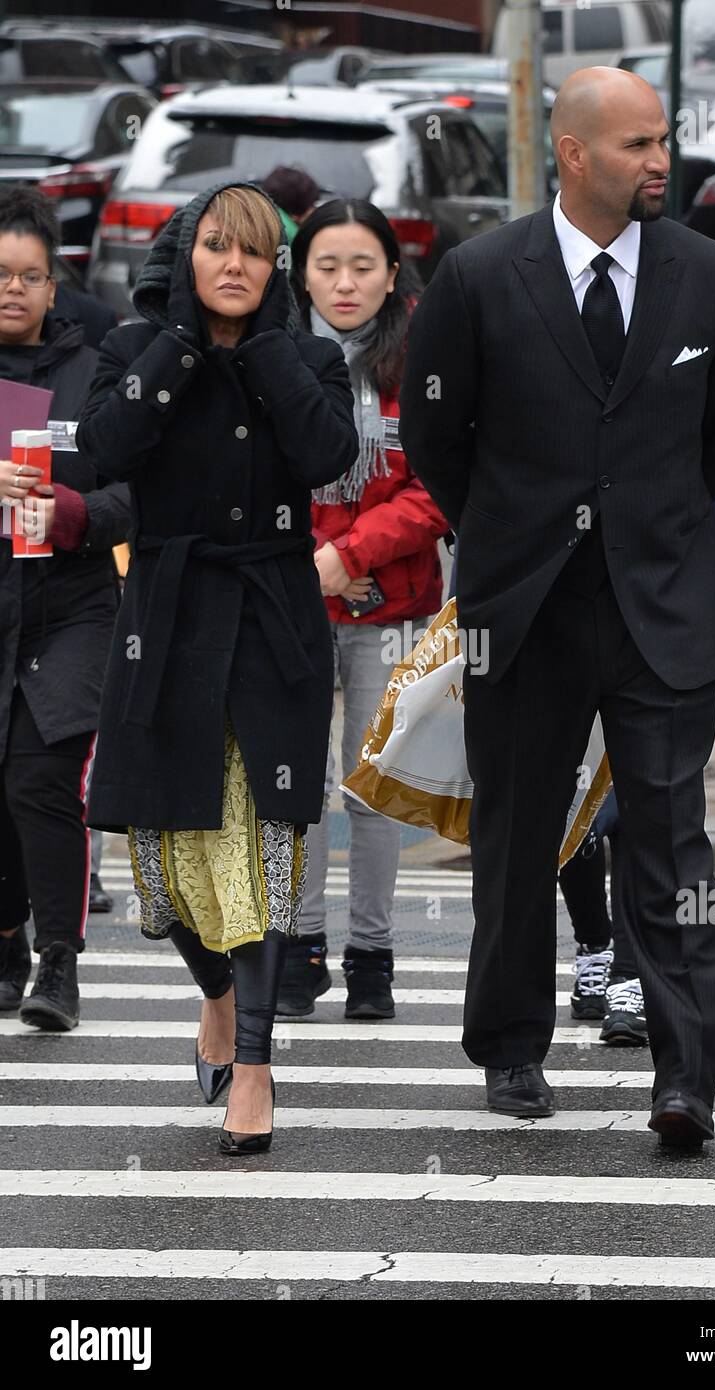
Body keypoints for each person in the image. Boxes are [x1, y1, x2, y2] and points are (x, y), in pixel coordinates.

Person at [400, 67, 715, 1148]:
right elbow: (436, 440)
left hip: (661, 606)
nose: (660, 160)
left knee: (671, 843)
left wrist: (650, 525)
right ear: (571, 153)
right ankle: (511, 1046)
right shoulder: (476, 276)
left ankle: (685, 1074)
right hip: (521, 609)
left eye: (662, 141)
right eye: (637, 144)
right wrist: (513, 533)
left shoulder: (709, 276)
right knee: (516, 836)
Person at [75, 180, 357, 1155]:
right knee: (162, 869)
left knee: (263, 852)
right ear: (184, 257)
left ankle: (257, 1067)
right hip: (166, 622)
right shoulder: (136, 350)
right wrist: (183, 341)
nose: (233, 266)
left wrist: (265, 344)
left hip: (273, 623)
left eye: (254, 251)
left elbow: (326, 455)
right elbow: (102, 448)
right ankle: (219, 997)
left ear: (276, 266)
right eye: (214, 247)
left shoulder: (309, 356)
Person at [278, 198, 447, 1020]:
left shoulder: (424, 355)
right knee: (297, 783)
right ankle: (301, 946)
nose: (344, 284)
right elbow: (254, 475)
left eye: (362, 267)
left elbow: (438, 484)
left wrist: (347, 555)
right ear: (301, 275)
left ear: (391, 274)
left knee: (374, 787)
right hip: (291, 601)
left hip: (392, 603)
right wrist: (310, 561)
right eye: (327, 267)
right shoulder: (273, 353)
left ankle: (372, 957)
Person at [0, 186, 130, 1026]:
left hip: (71, 605)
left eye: (29, 276)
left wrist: (72, 513)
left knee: (41, 778)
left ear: (55, 287)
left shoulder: (96, 372)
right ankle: (6, 942)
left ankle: (58, 962)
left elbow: (139, 494)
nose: (12, 290)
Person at [565, 485, 715, 1045]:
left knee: (639, 817)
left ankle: (629, 974)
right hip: (558, 624)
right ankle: (595, 945)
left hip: (655, 633)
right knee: (569, 815)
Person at [261, 166, 320, 249]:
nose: (315, 210)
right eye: (313, 205)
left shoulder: (256, 218)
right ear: (294, 215)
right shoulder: (296, 241)